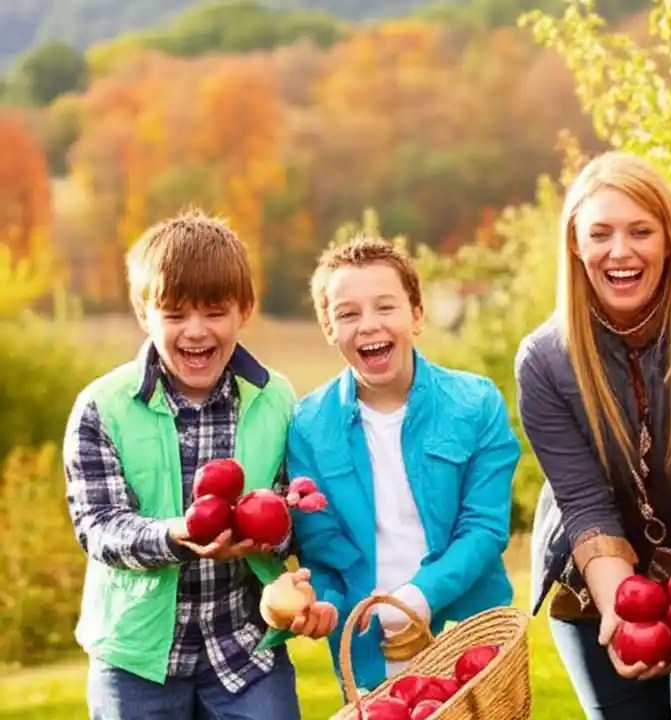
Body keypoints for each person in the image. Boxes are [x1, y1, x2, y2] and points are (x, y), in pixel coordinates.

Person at [515, 150, 671, 719]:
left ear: (669, 241)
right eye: (599, 233)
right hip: (595, 576)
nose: (620, 251)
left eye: (640, 231)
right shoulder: (545, 359)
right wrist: (621, 608)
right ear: (575, 245)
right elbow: (583, 502)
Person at [64, 211, 336, 720]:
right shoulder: (103, 406)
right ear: (144, 314)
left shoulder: (275, 399)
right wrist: (176, 535)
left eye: (214, 311)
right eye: (174, 314)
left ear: (245, 310)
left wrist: (271, 534)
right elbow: (98, 526)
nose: (195, 331)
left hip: (245, 644)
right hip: (137, 656)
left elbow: (292, 500)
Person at [285, 235, 521, 695]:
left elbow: (484, 529)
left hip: (469, 642)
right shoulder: (308, 426)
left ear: (416, 315)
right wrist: (326, 609)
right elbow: (323, 553)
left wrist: (417, 599)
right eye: (348, 314)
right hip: (371, 661)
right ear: (329, 328)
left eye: (385, 307)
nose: (368, 325)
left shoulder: (475, 404)